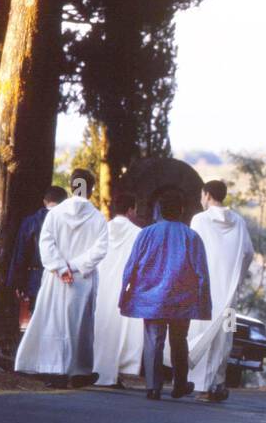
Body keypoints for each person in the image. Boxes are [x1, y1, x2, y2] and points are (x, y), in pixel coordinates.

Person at [14, 169, 109, 387]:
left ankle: (53, 369)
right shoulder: (97, 218)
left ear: (71, 185)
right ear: (91, 189)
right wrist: (75, 267)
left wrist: (60, 266)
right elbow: (100, 248)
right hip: (82, 280)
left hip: (56, 278)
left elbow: (45, 243)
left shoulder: (54, 215)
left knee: (53, 322)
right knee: (80, 326)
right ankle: (78, 370)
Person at [118, 188, 211, 401]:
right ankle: (179, 384)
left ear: (159, 210)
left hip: (151, 298)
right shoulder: (191, 237)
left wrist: (124, 294)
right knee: (179, 340)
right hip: (182, 299)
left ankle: (153, 387)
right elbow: (201, 273)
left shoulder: (146, 233)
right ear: (181, 210)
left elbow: (131, 266)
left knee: (153, 340)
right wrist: (204, 303)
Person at [186, 180, 254, 401]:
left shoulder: (199, 220)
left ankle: (201, 386)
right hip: (230, 293)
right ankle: (218, 383)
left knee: (200, 332)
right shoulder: (239, 222)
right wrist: (237, 280)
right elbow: (248, 254)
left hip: (203, 289)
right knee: (226, 338)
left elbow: (191, 251)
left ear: (206, 195)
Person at [92, 191, 144, 387]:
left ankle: (97, 370)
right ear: (130, 210)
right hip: (126, 287)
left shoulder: (103, 229)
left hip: (101, 284)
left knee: (101, 326)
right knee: (120, 330)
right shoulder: (138, 233)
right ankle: (114, 373)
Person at [8, 186, 67, 319]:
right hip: (62, 278)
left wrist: (17, 282)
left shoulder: (30, 222)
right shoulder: (68, 223)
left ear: (45, 201)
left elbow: (21, 253)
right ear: (64, 202)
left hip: (35, 279)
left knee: (38, 319)